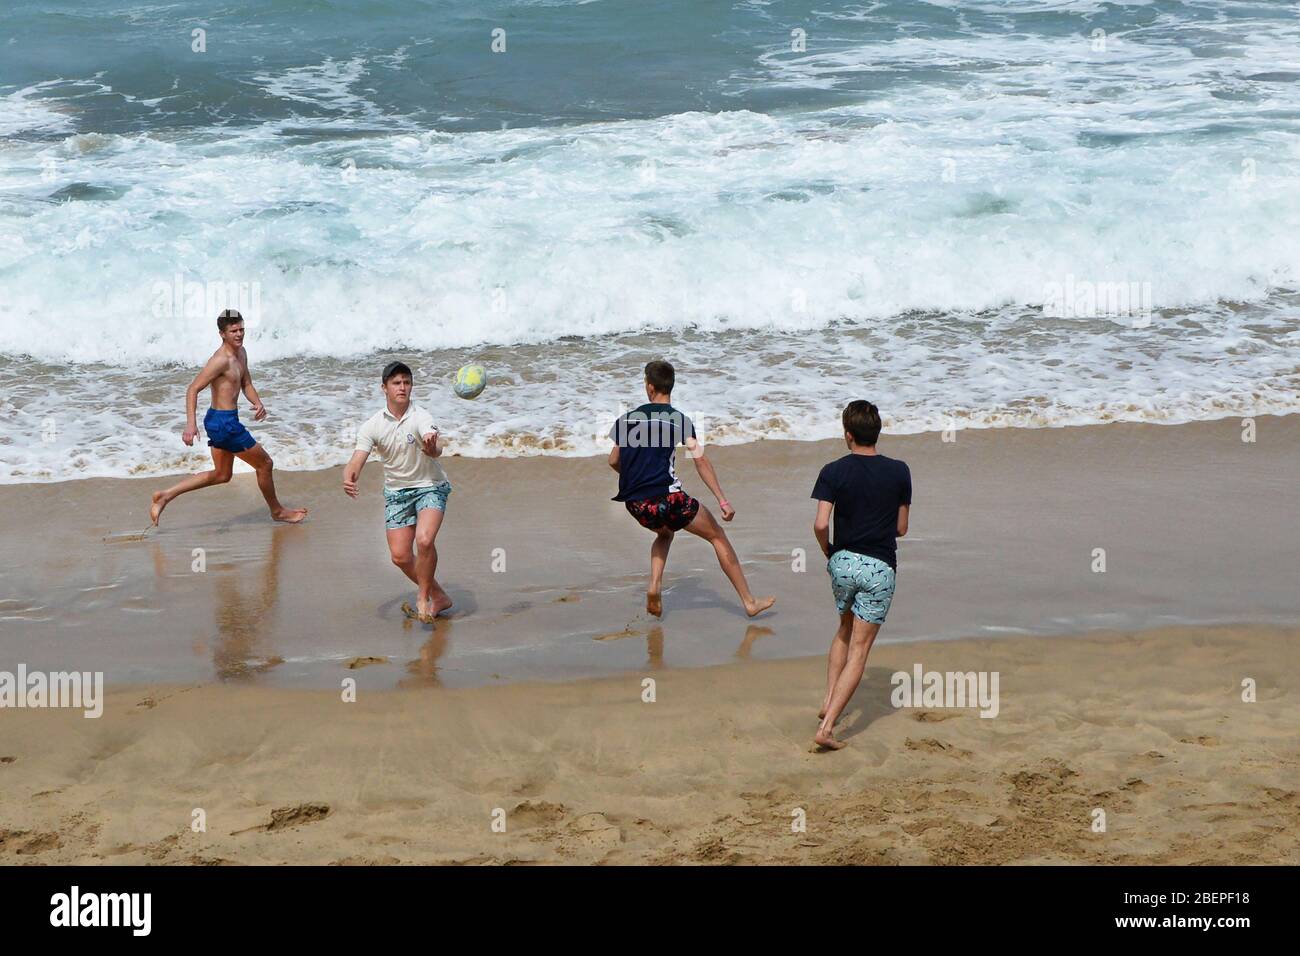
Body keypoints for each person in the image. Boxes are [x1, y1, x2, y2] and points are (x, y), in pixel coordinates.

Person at [608, 360, 774, 619]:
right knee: (717, 535)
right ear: (668, 387)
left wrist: (636, 482)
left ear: (649, 387)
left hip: (637, 504)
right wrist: (722, 500)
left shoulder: (627, 419)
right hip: (669, 499)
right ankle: (749, 602)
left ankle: (654, 586)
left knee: (665, 533)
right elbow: (699, 460)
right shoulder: (679, 420)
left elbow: (614, 461)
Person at [811, 400, 911, 750]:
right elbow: (901, 528)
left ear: (847, 435)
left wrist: (829, 551)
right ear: (877, 433)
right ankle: (827, 727)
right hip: (879, 566)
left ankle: (827, 700)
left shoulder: (832, 470)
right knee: (860, 650)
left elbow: (821, 524)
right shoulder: (900, 471)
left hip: (842, 563)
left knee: (843, 629)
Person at [150, 309, 307, 526]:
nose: (239, 334)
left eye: (241, 329)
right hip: (223, 423)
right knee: (265, 464)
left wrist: (257, 402)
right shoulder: (220, 360)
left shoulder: (241, 353)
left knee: (222, 475)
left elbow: (246, 384)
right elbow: (193, 389)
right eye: (234, 331)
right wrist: (190, 425)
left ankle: (165, 495)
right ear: (222, 334)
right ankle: (277, 511)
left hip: (222, 421)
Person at [343, 361, 453, 621]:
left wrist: (432, 448)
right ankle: (439, 596)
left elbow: (436, 447)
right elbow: (357, 459)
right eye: (396, 383)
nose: (402, 387)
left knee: (425, 540)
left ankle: (423, 596)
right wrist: (350, 476)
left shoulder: (422, 416)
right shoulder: (372, 425)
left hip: (430, 486)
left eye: (406, 382)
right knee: (401, 556)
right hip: (397, 493)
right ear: (384, 388)